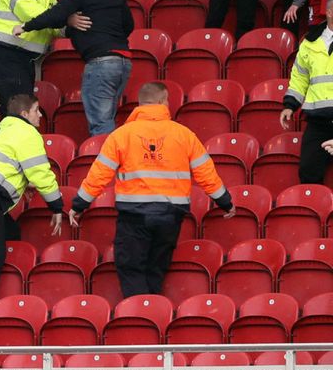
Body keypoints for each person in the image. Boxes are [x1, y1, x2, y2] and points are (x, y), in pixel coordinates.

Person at [74, 81, 234, 298]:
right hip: (171, 214)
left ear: (140, 104)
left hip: (134, 214)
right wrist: (225, 201)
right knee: (156, 268)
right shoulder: (183, 134)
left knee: (130, 267)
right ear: (162, 101)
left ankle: (141, 315)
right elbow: (205, 173)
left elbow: (99, 174)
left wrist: (80, 204)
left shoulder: (121, 135)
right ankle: (153, 312)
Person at [0, 93, 66, 307]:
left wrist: (23, 183)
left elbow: (8, 164)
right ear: (25, 114)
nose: (41, 115)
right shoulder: (28, 132)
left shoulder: (3, 128)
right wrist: (56, 206)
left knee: (11, 233)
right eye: (37, 110)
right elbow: (40, 172)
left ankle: (12, 285)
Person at [18, 0, 134, 137]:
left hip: (100, 63)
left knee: (100, 125)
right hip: (122, 61)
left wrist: (26, 26)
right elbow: (128, 24)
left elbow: (57, 14)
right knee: (107, 118)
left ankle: (107, 165)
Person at [289, 26, 333, 186]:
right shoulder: (310, 42)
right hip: (318, 121)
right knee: (308, 172)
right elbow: (299, 77)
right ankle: (314, 207)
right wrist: (290, 104)